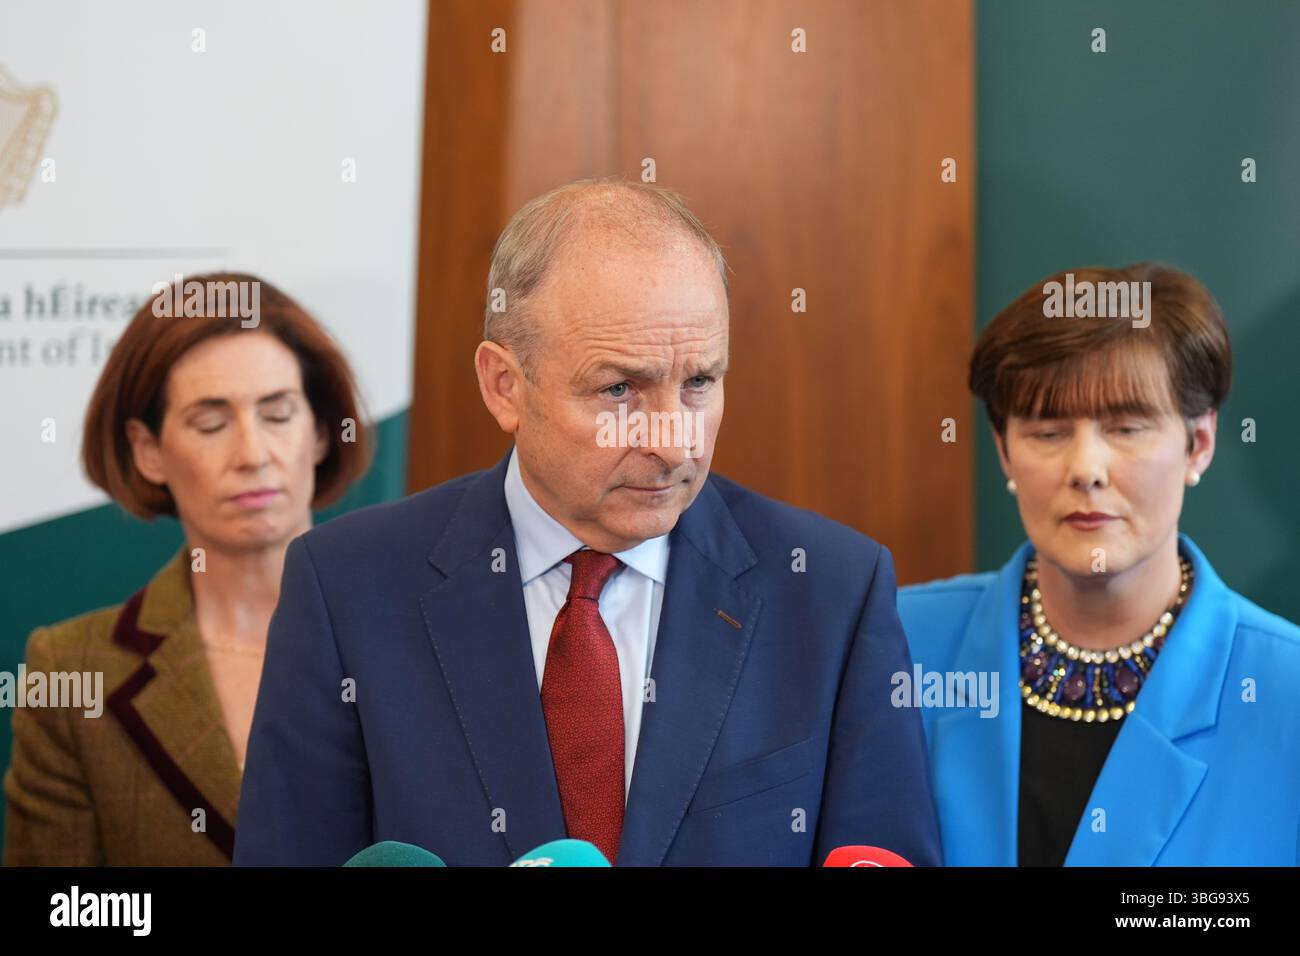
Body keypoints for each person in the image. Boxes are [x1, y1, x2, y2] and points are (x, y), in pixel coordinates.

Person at [234, 180, 941, 866]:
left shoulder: (832, 591)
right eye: (619, 389)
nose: (674, 442)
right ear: (504, 385)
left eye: (699, 382)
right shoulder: (347, 588)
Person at [899, 262, 1300, 865]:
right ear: (1004, 452)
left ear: (1200, 443)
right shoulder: (897, 643)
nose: (1086, 468)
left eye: (1127, 427)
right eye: (1048, 432)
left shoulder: (1284, 690)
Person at [3, 274, 370, 865]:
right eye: (211, 423)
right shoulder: (73, 673)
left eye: (278, 415)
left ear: (322, 432)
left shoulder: (416, 633)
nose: (252, 455)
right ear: (148, 451)